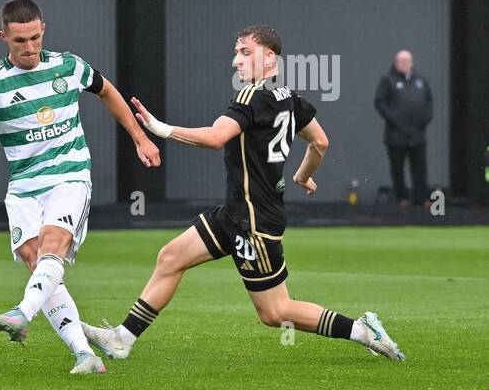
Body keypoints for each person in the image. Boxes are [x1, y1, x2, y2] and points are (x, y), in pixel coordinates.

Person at [81, 25, 404, 362]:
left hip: (254, 220)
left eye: (245, 52)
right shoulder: (289, 97)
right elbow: (320, 142)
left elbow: (216, 137)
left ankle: (364, 330)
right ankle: (123, 338)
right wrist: (304, 176)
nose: (236, 60)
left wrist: (161, 129)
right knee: (171, 257)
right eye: (236, 52)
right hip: (235, 213)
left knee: (275, 312)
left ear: (269, 57)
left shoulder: (252, 96)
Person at [0, 0, 160, 374]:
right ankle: (85, 354)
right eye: (19, 41)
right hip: (24, 187)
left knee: (52, 245)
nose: (28, 48)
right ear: (3, 38)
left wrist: (140, 138)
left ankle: (21, 313)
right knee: (36, 261)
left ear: (44, 30)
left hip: (69, 177)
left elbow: (107, 91)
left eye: (34, 38)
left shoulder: (69, 66)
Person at [374, 49, 434, 208]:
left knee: (420, 168)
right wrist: (395, 119)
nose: (405, 64)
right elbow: (380, 102)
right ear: (395, 63)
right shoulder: (388, 80)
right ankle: (402, 198)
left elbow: (429, 103)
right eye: (401, 61)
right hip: (396, 134)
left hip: (418, 133)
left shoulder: (421, 81)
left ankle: (421, 198)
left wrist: (424, 121)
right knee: (397, 168)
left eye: (407, 61)